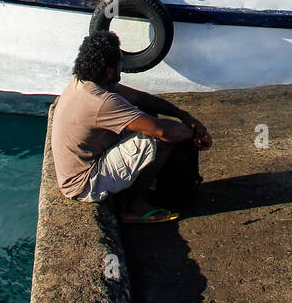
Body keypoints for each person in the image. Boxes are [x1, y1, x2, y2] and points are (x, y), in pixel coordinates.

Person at [51, 31, 212, 224]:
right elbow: (162, 131)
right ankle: (132, 206)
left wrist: (183, 115)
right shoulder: (101, 102)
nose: (122, 65)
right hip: (85, 182)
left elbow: (141, 99)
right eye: (119, 61)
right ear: (109, 71)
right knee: (159, 139)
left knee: (148, 115)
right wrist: (193, 133)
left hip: (86, 161)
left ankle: (135, 189)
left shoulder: (84, 82)